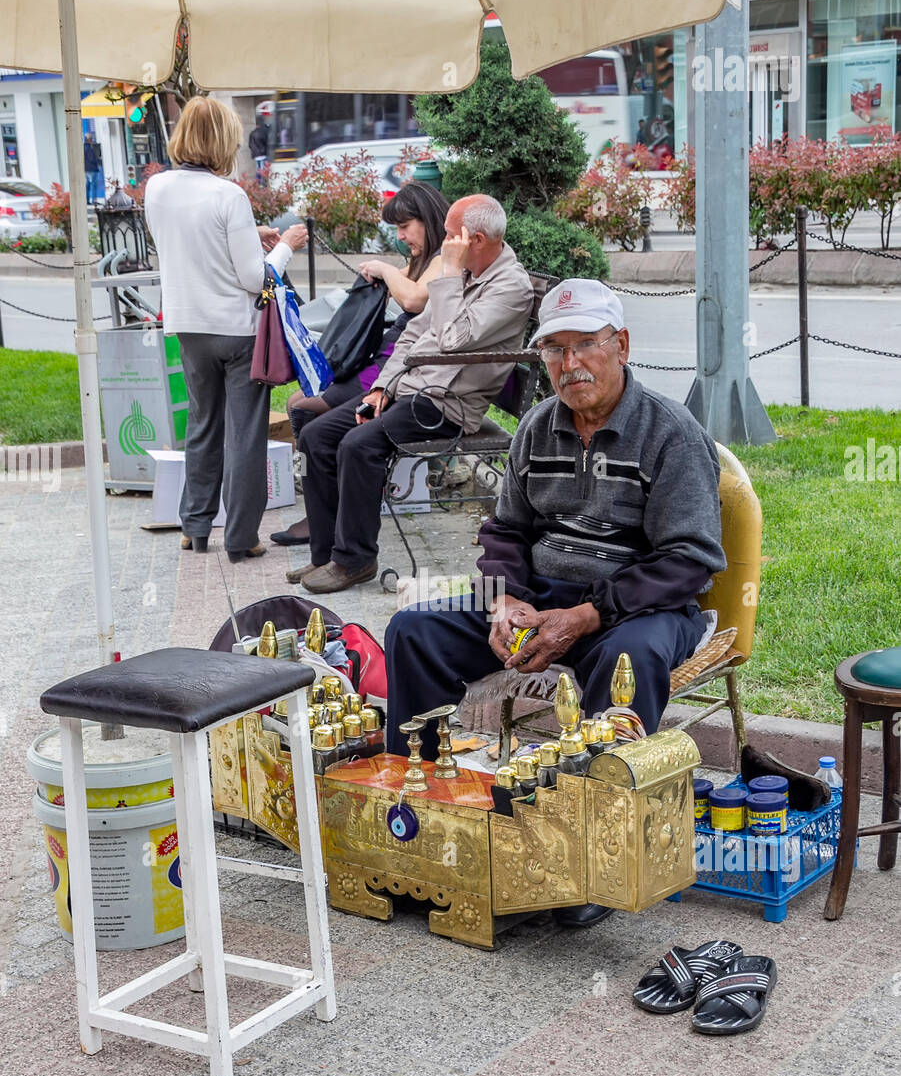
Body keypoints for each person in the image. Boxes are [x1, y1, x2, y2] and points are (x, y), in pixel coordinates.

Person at [384, 278, 726, 928]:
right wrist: (506, 601)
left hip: (642, 607)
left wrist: (589, 615)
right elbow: (506, 532)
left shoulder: (669, 434)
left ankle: (594, 855)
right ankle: (424, 813)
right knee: (413, 630)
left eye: (585, 346)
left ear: (620, 345)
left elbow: (686, 561)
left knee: (626, 659)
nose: (570, 364)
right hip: (542, 598)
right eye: (553, 351)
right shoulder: (538, 427)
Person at [289, 193, 533, 594]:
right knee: (318, 435)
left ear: (476, 240)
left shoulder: (509, 287)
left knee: (358, 444)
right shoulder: (467, 271)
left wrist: (449, 275)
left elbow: (454, 339)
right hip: (411, 389)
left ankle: (356, 560)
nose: (445, 243)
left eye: (452, 236)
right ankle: (327, 554)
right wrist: (382, 387)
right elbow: (414, 334)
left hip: (447, 403)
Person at [144, 96, 309, 561]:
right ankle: (240, 538)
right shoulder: (229, 194)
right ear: (223, 141)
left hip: (188, 326)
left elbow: (189, 241)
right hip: (238, 331)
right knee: (244, 435)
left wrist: (245, 233)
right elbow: (255, 278)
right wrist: (287, 245)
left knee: (201, 425)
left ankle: (194, 527)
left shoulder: (157, 188)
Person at [272, 181, 450, 548]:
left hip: (395, 369)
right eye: (397, 229)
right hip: (388, 359)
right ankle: (324, 513)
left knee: (304, 412)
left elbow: (415, 299)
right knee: (301, 409)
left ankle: (325, 514)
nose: (402, 237)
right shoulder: (425, 258)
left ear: (428, 219)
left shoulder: (444, 258)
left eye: (405, 227)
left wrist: (385, 270)